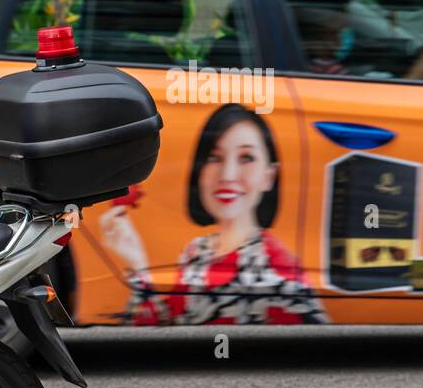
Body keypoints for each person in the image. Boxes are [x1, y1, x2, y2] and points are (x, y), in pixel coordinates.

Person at [100, 103, 327, 325]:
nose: (227, 175)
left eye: (246, 157)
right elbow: (164, 332)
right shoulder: (197, 250)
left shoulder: (276, 266)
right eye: (214, 158)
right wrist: (137, 261)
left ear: (269, 175)